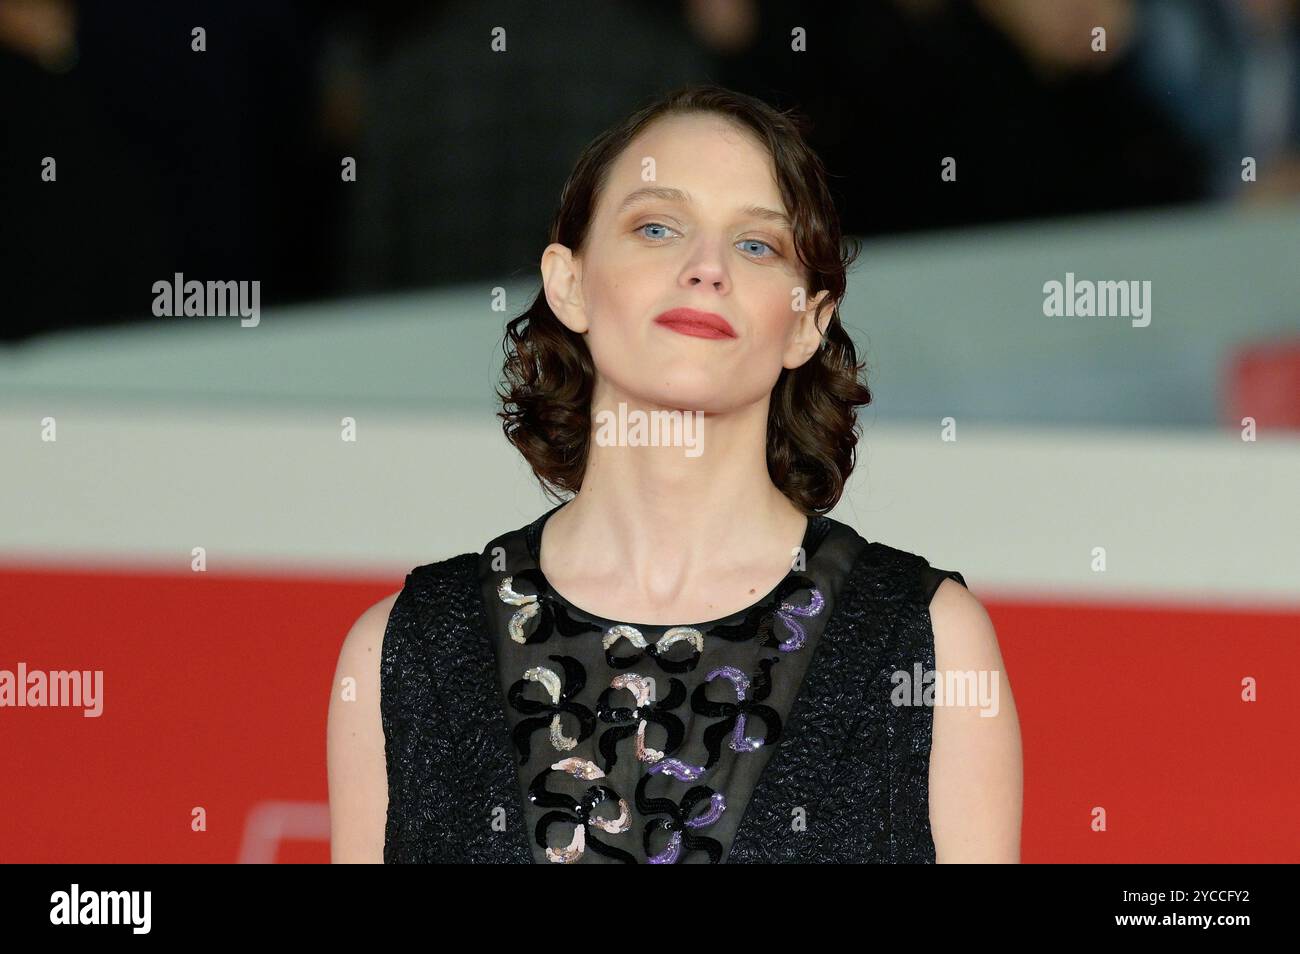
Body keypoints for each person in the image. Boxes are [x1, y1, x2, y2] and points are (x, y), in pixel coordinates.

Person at [327, 84, 1022, 864]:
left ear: (806, 322)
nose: (706, 269)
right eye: (656, 228)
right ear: (569, 282)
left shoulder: (928, 645)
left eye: (756, 245)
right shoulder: (408, 650)